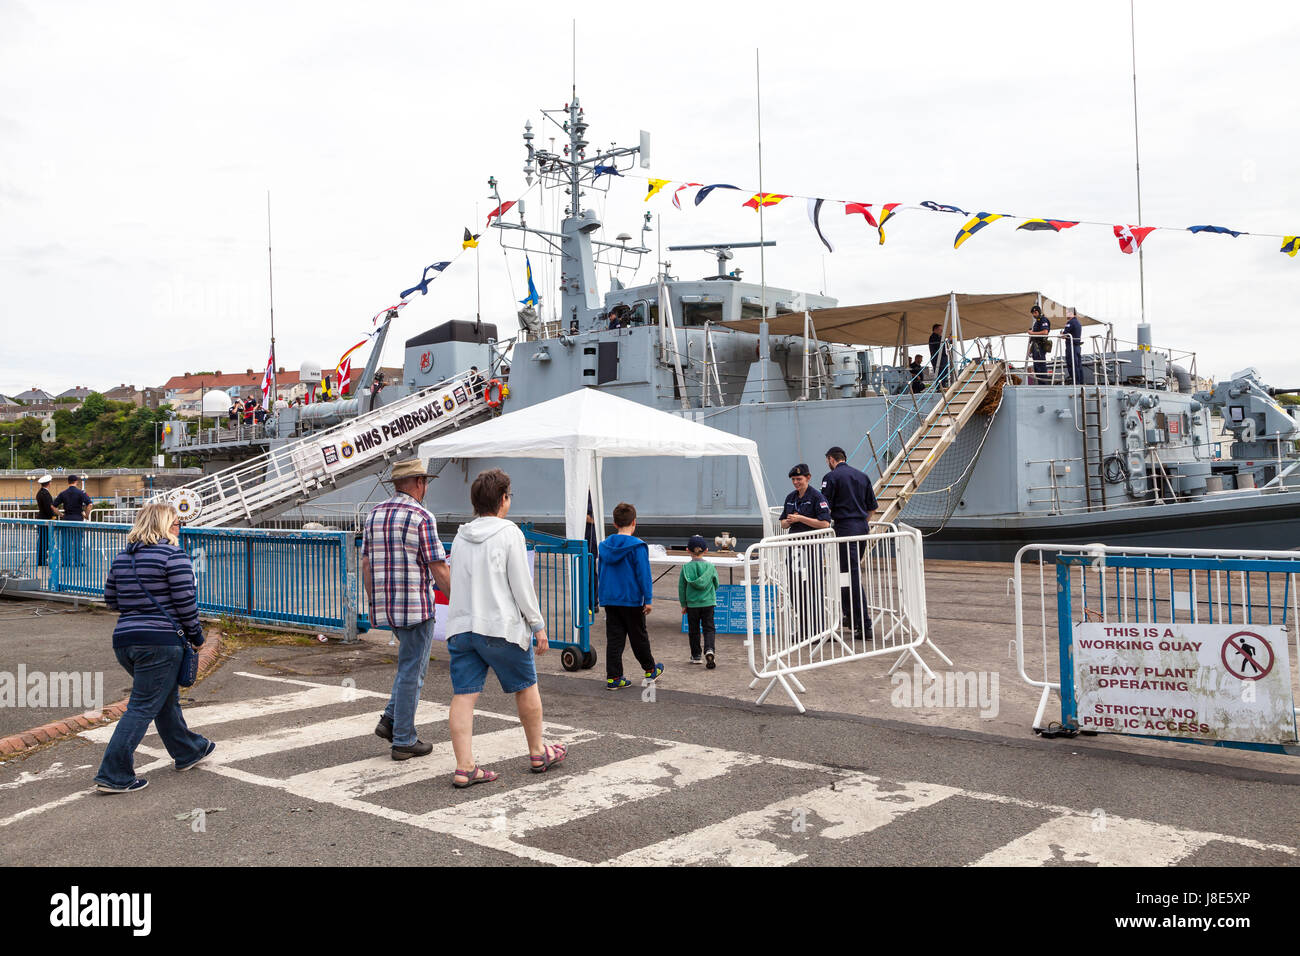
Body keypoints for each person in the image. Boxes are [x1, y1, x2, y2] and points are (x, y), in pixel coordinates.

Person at [444, 469, 568, 787]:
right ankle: (538, 752)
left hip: (462, 626)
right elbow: (520, 585)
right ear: (503, 499)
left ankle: (464, 766)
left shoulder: (460, 536)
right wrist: (538, 626)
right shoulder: (509, 532)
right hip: (500, 627)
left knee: (464, 696)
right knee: (526, 687)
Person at [93, 502, 214, 793]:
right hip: (161, 643)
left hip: (125, 641)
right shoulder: (174, 556)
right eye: (175, 523)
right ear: (162, 526)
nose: (179, 528)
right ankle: (114, 774)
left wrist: (139, 608)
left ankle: (188, 751)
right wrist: (198, 638)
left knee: (162, 697)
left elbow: (111, 599)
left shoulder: (123, 558)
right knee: (143, 705)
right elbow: (186, 604)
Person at [361, 458, 451, 760]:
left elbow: (365, 564)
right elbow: (438, 567)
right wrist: (459, 602)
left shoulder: (374, 514)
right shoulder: (422, 517)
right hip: (417, 606)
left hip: (387, 607)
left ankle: (390, 719)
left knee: (410, 665)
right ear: (419, 483)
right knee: (414, 671)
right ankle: (403, 739)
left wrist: (374, 601)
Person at [598, 502, 663, 690]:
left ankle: (614, 678)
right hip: (631, 600)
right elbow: (644, 575)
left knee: (615, 639)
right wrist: (648, 600)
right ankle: (650, 669)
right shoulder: (638, 547)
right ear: (634, 523)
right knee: (638, 636)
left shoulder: (604, 546)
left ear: (615, 524)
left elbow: (601, 571)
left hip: (610, 599)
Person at [821, 447, 878, 642]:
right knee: (845, 574)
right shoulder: (862, 476)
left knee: (850, 575)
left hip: (844, 530)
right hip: (861, 528)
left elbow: (824, 509)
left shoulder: (831, 477)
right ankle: (849, 615)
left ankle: (864, 623)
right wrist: (860, 523)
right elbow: (872, 508)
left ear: (831, 459)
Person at [780, 463, 832, 639]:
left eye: (799, 479)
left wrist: (801, 518)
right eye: (794, 479)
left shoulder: (817, 497)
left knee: (812, 588)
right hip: (795, 550)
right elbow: (782, 522)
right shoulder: (790, 497)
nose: (796, 482)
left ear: (808, 478)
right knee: (796, 588)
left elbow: (825, 523)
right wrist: (789, 522)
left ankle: (818, 630)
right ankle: (804, 628)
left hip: (811, 549)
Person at [679, 535, 719, 668]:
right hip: (708, 603)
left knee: (694, 630)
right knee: (709, 628)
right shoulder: (711, 567)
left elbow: (681, 588)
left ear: (687, 550)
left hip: (692, 605)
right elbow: (716, 583)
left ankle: (696, 655)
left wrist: (684, 604)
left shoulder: (685, 568)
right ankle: (709, 649)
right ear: (706, 550)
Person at [53, 475, 91, 568]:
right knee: (77, 542)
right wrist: (86, 515)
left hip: (66, 519)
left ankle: (66, 562)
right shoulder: (81, 493)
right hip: (78, 520)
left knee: (66, 543)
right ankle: (78, 562)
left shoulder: (63, 493)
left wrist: (61, 515)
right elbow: (89, 504)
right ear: (76, 482)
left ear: (68, 482)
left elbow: (53, 506)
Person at [35, 474, 56, 573]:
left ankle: (41, 559)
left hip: (41, 519)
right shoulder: (45, 494)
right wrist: (53, 517)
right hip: (45, 520)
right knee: (44, 540)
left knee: (42, 540)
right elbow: (48, 508)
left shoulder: (40, 493)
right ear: (49, 483)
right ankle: (42, 560)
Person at [1028, 305, 1052, 384]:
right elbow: (1034, 338)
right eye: (1033, 313)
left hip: (1040, 347)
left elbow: (1045, 332)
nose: (1033, 315)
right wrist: (1030, 349)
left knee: (1041, 366)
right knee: (1037, 366)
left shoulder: (1043, 320)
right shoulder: (1037, 322)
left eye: (1034, 313)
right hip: (1035, 346)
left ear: (1037, 312)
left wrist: (1032, 333)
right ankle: (1040, 384)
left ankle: (1044, 384)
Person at [1062, 308, 1084, 385]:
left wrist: (1062, 334)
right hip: (1077, 346)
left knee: (1072, 364)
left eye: (1067, 313)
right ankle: (1080, 382)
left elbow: (1064, 334)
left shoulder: (1070, 323)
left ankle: (1076, 382)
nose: (1066, 314)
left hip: (1071, 347)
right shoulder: (1078, 322)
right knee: (1078, 365)